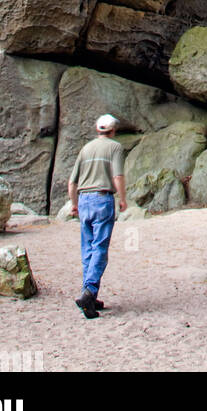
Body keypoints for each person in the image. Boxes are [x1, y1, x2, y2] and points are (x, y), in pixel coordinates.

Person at [67, 113, 128, 319]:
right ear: (113, 130)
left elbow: (72, 183)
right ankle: (90, 291)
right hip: (102, 199)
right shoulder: (115, 147)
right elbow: (117, 175)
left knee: (88, 248)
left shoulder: (86, 149)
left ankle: (90, 296)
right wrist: (122, 199)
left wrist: (74, 205)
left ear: (97, 129)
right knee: (100, 247)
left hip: (84, 199)